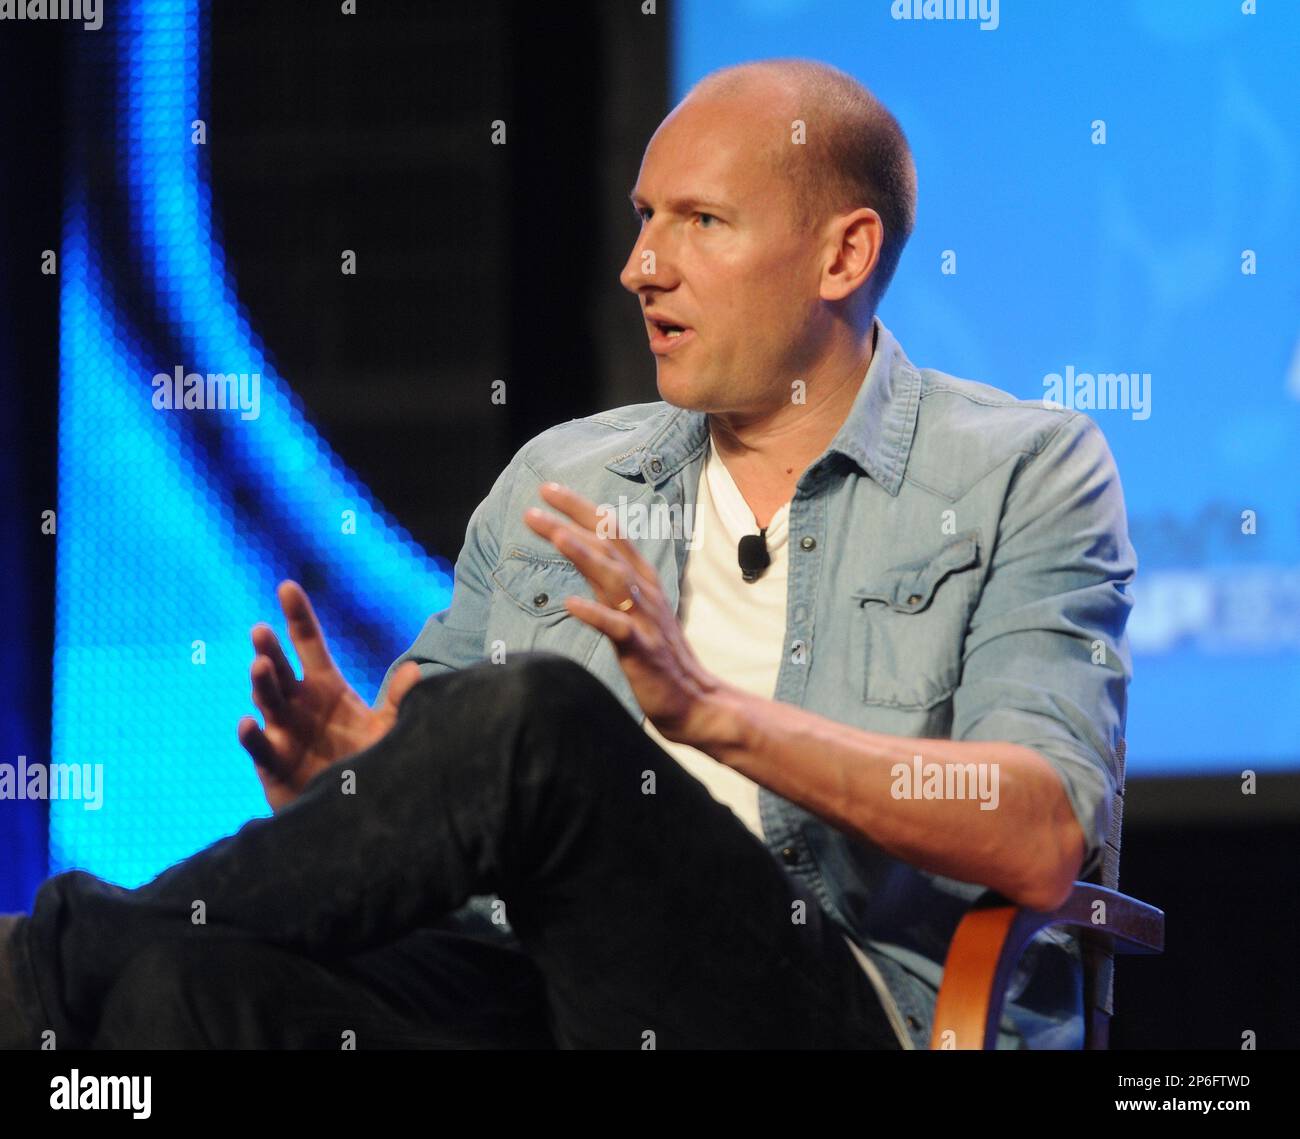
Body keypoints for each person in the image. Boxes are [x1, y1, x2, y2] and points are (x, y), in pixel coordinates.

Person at [0, 57, 1134, 1050]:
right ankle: (99, 958)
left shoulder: (1019, 470)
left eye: (699, 221)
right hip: (528, 991)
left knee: (537, 718)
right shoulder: (566, 474)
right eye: (644, 218)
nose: (643, 265)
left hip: (825, 1004)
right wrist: (353, 782)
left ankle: (42, 962)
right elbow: (444, 765)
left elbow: (1036, 835)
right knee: (176, 987)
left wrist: (712, 713)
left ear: (842, 254)